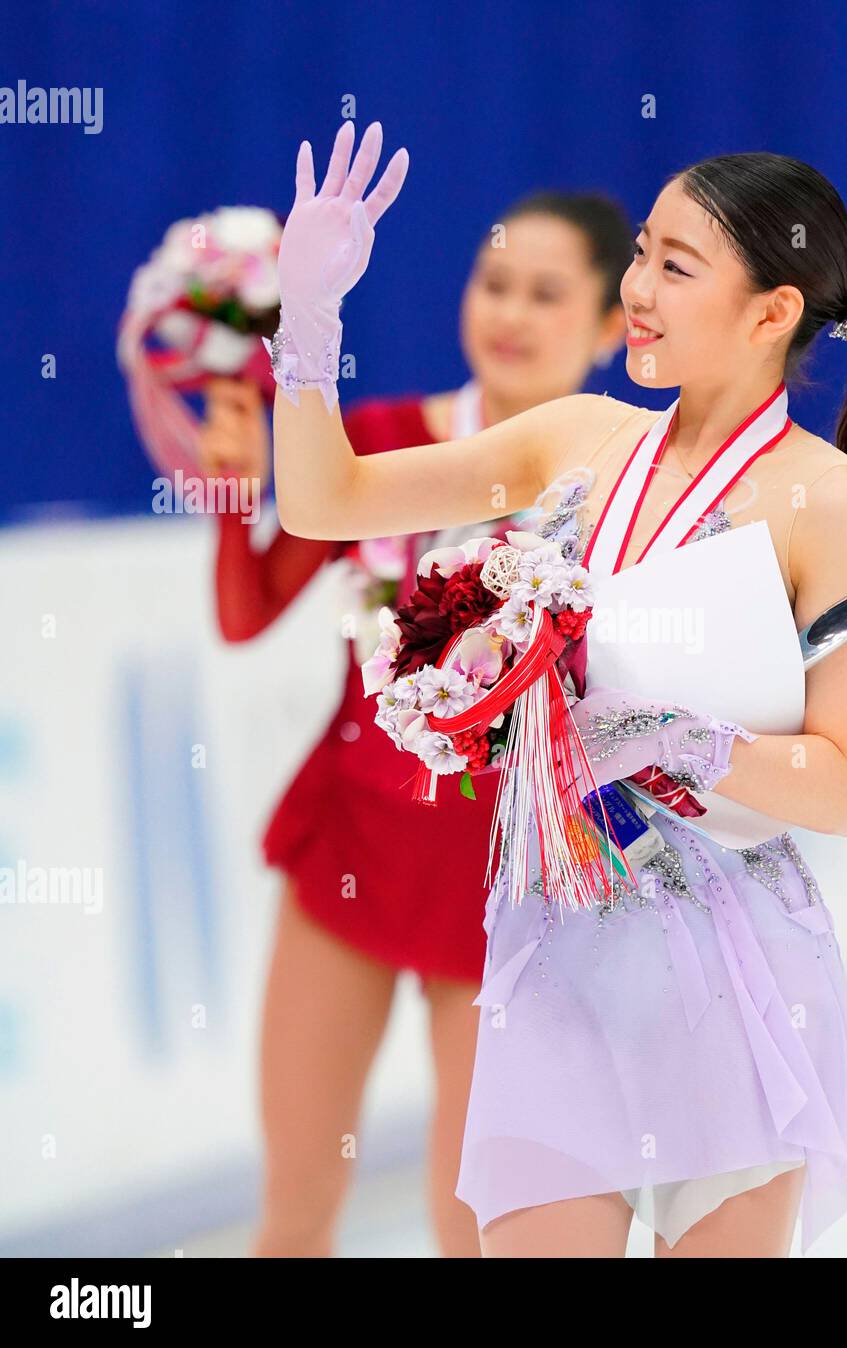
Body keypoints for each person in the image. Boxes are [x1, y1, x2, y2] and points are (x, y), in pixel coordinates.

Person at [263, 119, 847, 1257]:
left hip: (731, 966)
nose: (637, 289)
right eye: (638, 254)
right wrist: (311, 319)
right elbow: (324, 501)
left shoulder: (825, 500)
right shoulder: (577, 434)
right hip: (552, 946)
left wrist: (686, 741)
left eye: (677, 266)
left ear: (773, 311)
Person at [196, 182, 629, 1257]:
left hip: (508, 893)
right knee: (295, 1203)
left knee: (469, 1226)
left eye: (545, 292)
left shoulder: (618, 495)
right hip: (351, 847)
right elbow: (246, 614)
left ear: (612, 326)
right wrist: (227, 493)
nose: (511, 314)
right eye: (494, 284)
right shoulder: (380, 442)